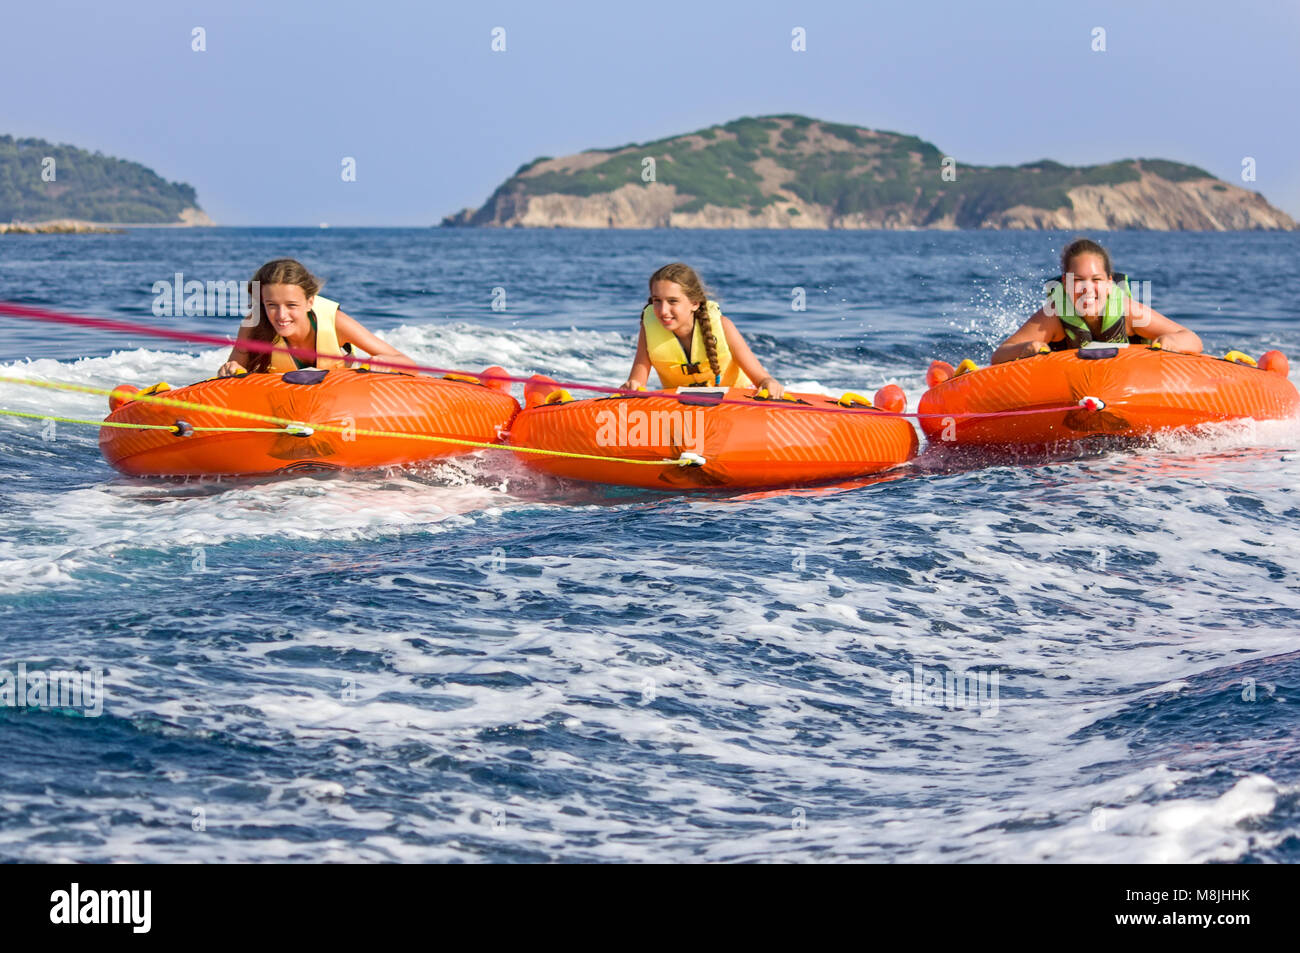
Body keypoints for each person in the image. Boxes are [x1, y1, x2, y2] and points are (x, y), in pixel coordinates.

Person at [991, 238, 1202, 364]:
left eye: (1097, 280)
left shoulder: (1128, 312)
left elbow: (1192, 339)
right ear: (1065, 282)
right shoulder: (1054, 316)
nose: (1087, 289)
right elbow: (999, 355)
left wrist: (1171, 342)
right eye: (1079, 280)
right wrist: (1026, 348)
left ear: (1110, 283)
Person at [217, 259, 416, 377]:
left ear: (310, 302)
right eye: (271, 305)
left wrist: (384, 362)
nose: (281, 315)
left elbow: (409, 365)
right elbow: (233, 376)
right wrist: (230, 368)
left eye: (291, 305)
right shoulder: (253, 325)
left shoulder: (336, 323)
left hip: (338, 401)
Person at [621, 262, 783, 397]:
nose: (663, 310)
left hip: (735, 405)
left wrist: (769, 384)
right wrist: (632, 386)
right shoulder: (648, 330)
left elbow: (762, 379)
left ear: (694, 303)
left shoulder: (723, 326)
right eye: (657, 300)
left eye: (673, 301)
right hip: (682, 409)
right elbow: (637, 383)